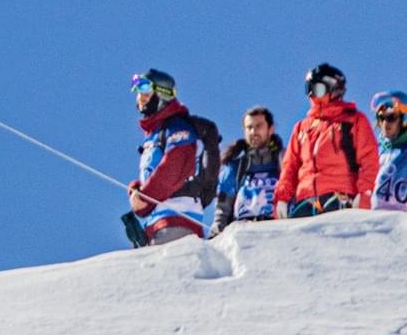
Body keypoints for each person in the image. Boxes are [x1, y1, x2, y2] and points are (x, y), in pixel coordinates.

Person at [275, 63, 380, 218]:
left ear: (334, 89)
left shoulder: (353, 121)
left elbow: (369, 161)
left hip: (339, 196)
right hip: (305, 200)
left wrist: (365, 194)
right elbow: (290, 166)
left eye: (317, 89)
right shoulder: (302, 128)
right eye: (308, 89)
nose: (312, 94)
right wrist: (282, 198)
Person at [128, 70, 210, 244]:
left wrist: (144, 198)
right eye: (138, 92)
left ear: (161, 95)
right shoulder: (154, 134)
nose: (140, 98)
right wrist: (136, 189)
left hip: (177, 219)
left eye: (145, 92)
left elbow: (175, 165)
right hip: (158, 224)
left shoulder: (177, 127)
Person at [212, 107, 282, 235]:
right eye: (249, 127)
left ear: (270, 129)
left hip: (278, 231)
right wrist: (215, 235)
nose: (253, 131)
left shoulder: (283, 161)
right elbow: (223, 208)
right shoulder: (236, 167)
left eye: (258, 126)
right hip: (243, 235)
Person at [371, 91, 407, 212]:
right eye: (382, 118)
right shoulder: (378, 151)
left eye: (391, 118)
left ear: (402, 119)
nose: (386, 123)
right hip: (379, 218)